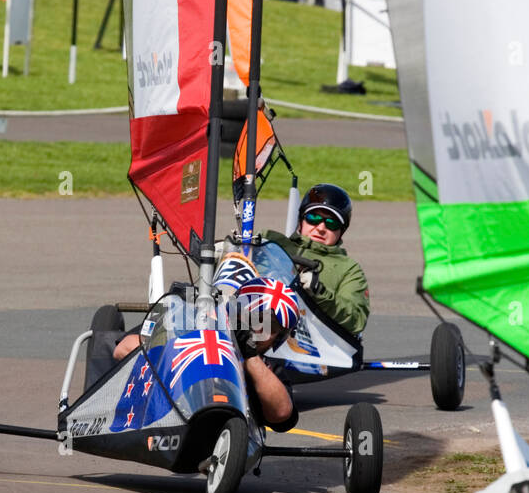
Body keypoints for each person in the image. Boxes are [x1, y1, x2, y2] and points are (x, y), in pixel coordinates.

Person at [110, 277, 301, 433]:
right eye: (253, 316)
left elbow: (282, 413)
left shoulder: (269, 370)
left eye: (270, 327)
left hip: (230, 432)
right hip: (163, 417)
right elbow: (123, 350)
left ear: (278, 338)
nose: (258, 328)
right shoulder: (195, 327)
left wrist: (250, 356)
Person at [262, 183, 370, 336]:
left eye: (331, 223)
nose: (320, 227)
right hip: (257, 324)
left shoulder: (349, 269)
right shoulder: (271, 241)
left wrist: (320, 292)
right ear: (301, 220)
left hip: (309, 343)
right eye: (313, 218)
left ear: (341, 231)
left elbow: (356, 320)